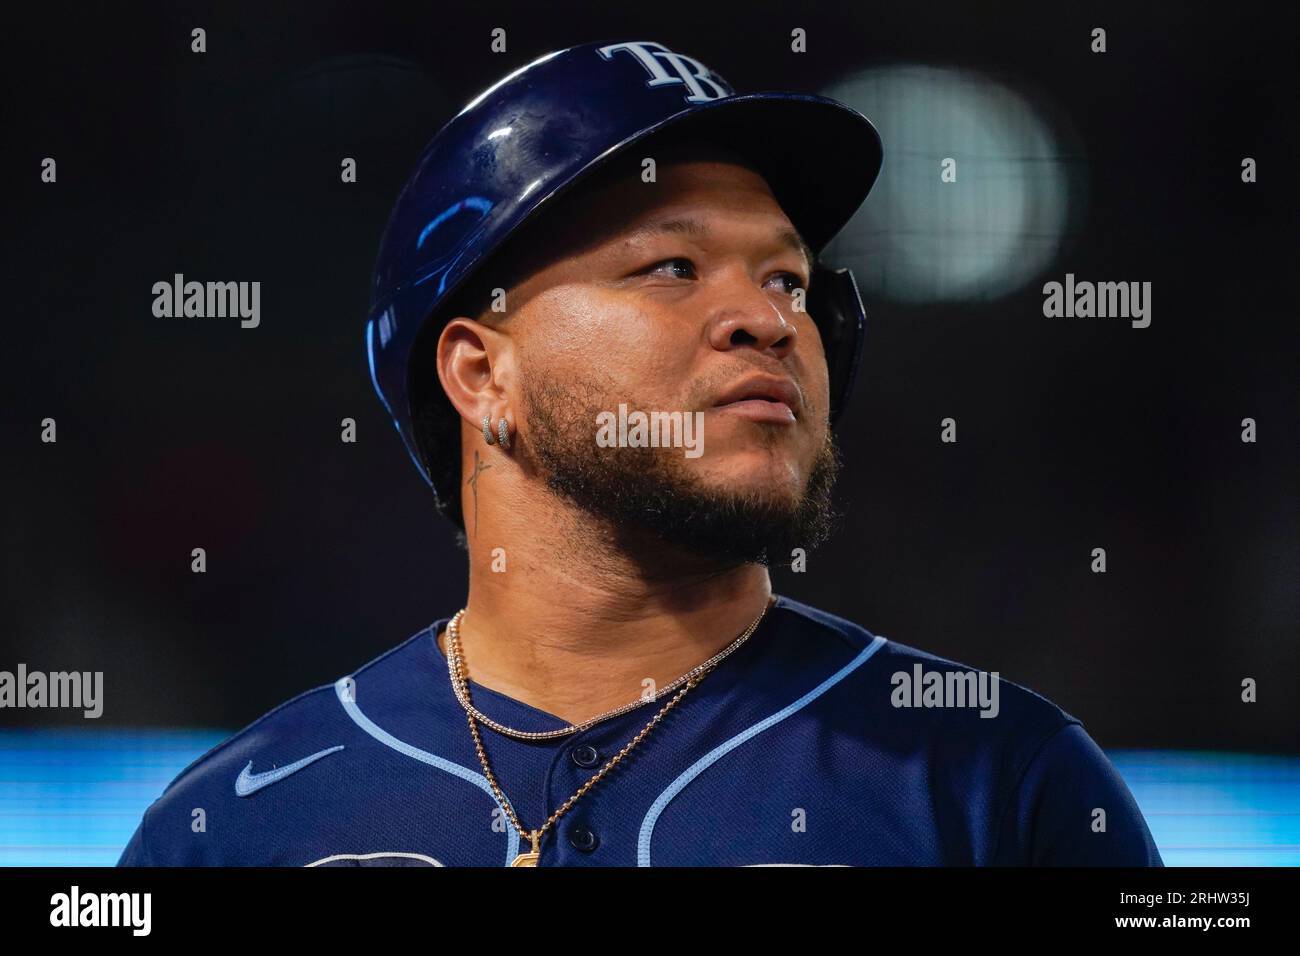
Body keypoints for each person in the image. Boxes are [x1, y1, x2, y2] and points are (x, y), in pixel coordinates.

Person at [118, 39, 1162, 866]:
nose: (767, 319)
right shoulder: (235, 822)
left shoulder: (998, 780)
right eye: (670, 264)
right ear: (482, 375)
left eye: (789, 280)